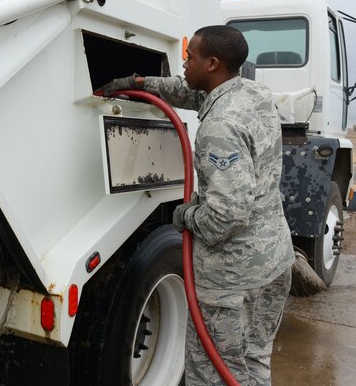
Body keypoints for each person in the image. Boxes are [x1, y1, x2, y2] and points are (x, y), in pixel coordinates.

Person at [99, 25, 294, 385]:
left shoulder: (220, 126)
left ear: (214, 64)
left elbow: (225, 216)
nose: (184, 63)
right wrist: (140, 83)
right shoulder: (253, 94)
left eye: (191, 58)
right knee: (253, 361)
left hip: (232, 279)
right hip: (274, 262)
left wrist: (183, 214)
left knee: (213, 373)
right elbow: (187, 92)